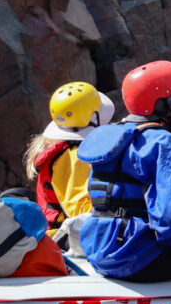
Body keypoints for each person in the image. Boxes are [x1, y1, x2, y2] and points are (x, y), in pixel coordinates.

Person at [76, 61, 171, 281]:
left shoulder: (112, 137)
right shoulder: (164, 142)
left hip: (100, 252)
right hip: (139, 258)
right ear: (162, 106)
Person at [24, 81, 116, 232]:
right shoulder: (72, 158)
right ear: (93, 118)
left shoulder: (69, 150)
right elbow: (80, 212)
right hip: (65, 238)